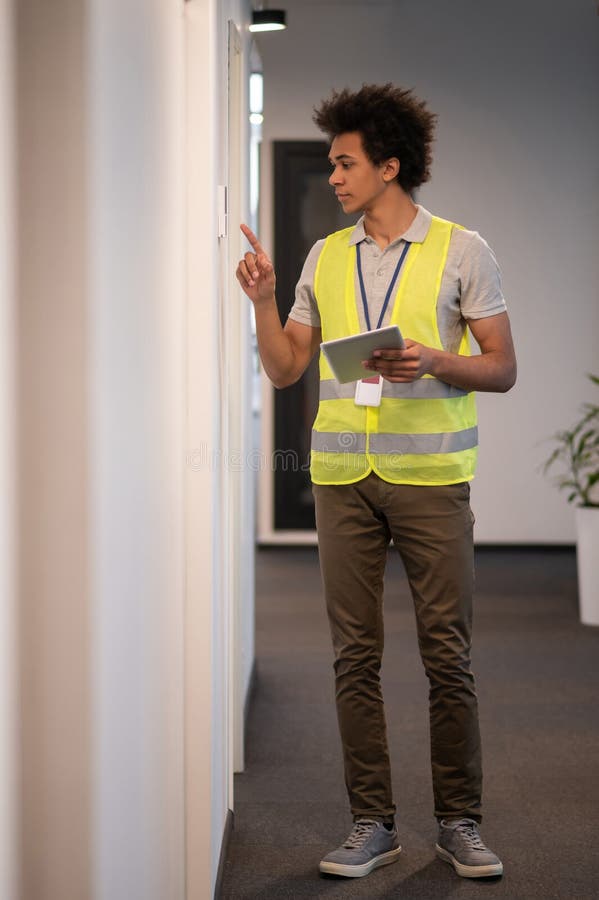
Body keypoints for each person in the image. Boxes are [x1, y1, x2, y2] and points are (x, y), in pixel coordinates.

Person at [236, 83, 516, 882]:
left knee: (446, 655)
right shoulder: (325, 257)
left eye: (344, 162)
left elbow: (501, 367)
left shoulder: (464, 250)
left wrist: (432, 359)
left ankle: (459, 822)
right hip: (339, 476)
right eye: (330, 164)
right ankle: (372, 824)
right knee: (352, 657)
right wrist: (261, 302)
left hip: (430, 481)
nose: (332, 176)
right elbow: (288, 369)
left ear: (390, 166)